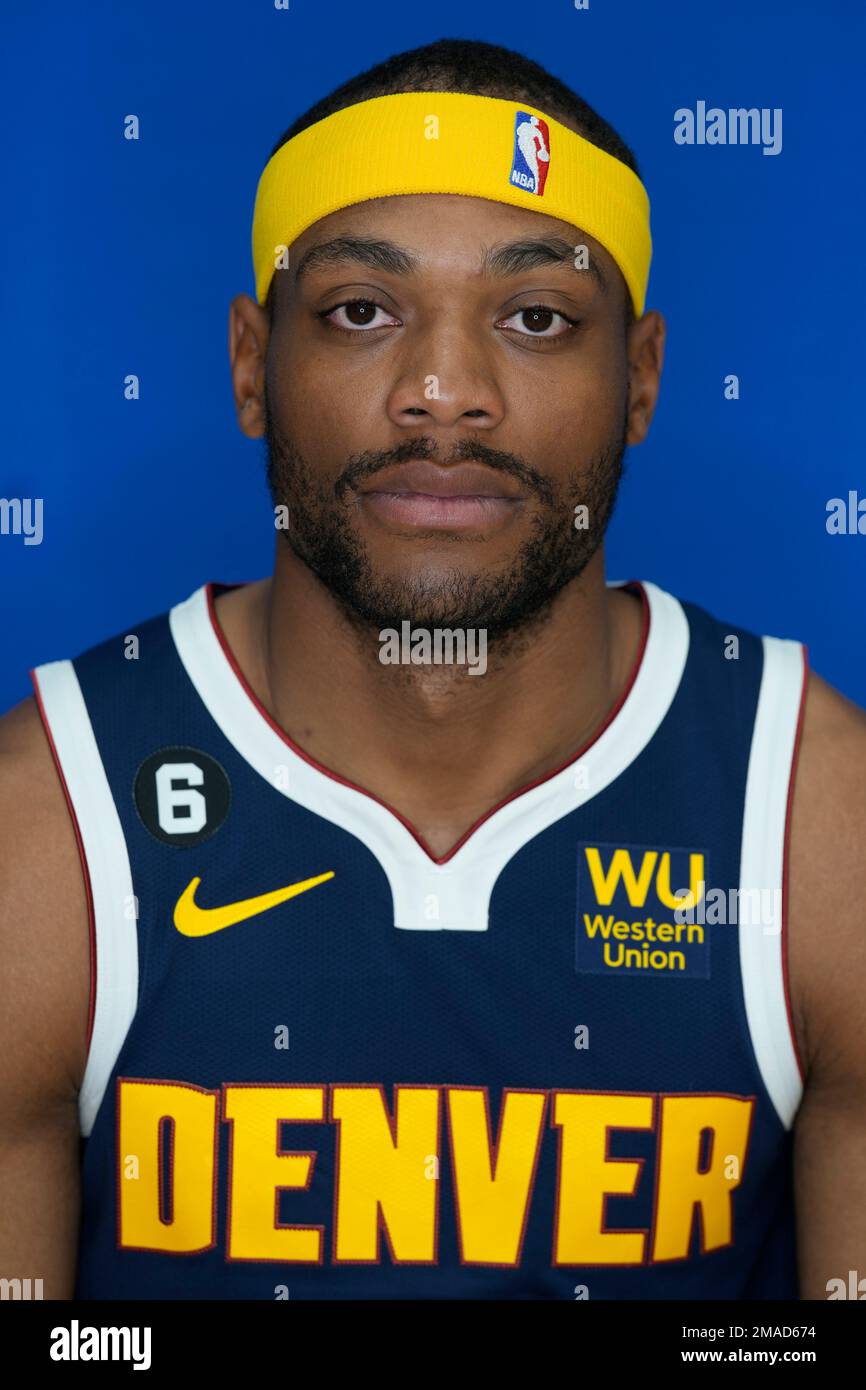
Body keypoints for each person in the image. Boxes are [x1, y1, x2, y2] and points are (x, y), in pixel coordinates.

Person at [1, 37, 864, 1301]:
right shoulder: (44, 834)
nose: (443, 392)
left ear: (639, 379)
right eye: (361, 310)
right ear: (252, 365)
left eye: (535, 317)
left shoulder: (818, 828)